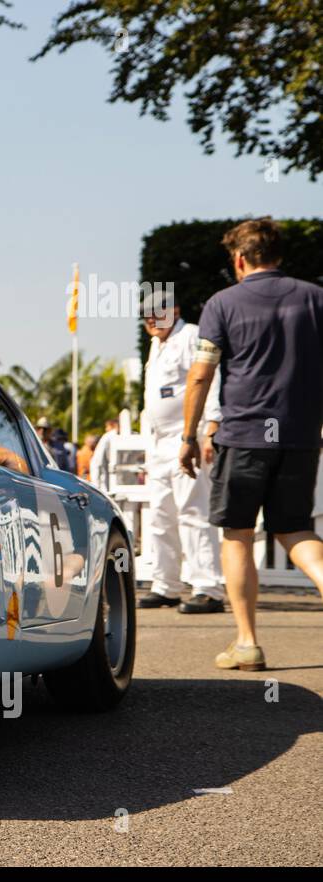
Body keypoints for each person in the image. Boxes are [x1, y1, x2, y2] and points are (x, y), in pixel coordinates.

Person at [180, 218, 323, 670]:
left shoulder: (223, 303)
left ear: (240, 259)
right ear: (279, 254)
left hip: (243, 436)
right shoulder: (316, 298)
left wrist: (188, 436)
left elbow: (202, 373)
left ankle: (246, 642)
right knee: (296, 530)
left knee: (238, 534)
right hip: (299, 436)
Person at [137, 288, 225, 613]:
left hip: (187, 435)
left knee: (193, 511)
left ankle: (208, 588)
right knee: (161, 515)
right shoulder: (155, 344)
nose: (150, 319)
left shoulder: (191, 335)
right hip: (159, 441)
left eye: (156, 312)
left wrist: (211, 425)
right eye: (146, 314)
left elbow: (208, 379)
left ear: (173, 310)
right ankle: (166, 585)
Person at [90, 417, 120, 489]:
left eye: (107, 426)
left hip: (109, 484)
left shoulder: (108, 437)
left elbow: (96, 462)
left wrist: (96, 486)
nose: (106, 429)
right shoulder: (134, 435)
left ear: (115, 425)